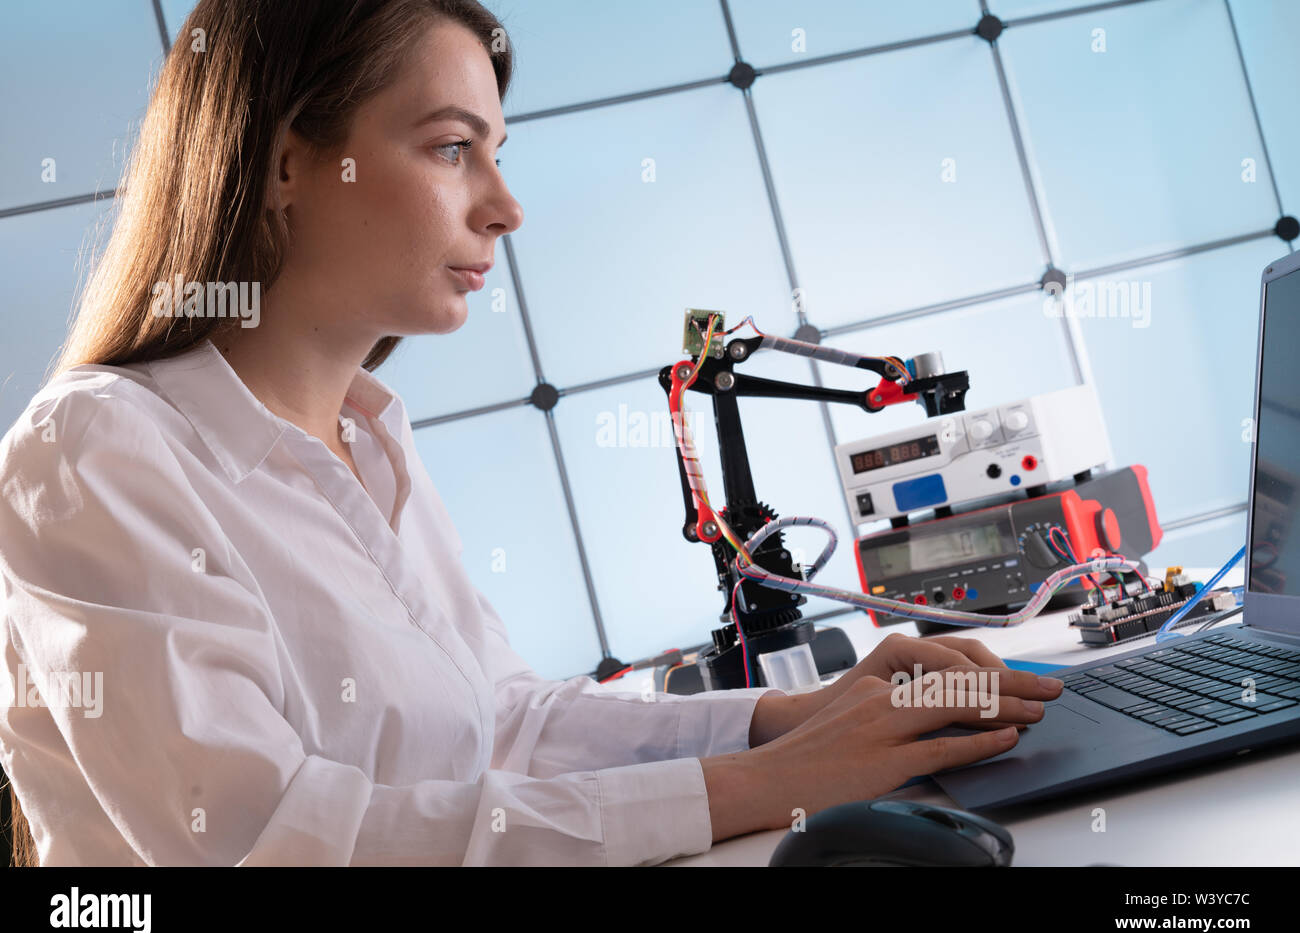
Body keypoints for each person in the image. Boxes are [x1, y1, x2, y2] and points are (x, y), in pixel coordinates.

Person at [0, 0, 1061, 867]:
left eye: (495, 153)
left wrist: (797, 718)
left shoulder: (368, 439)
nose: (504, 205)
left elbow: (504, 725)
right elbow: (258, 840)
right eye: (453, 148)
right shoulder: (96, 451)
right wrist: (772, 785)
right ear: (286, 164)